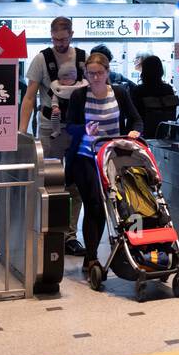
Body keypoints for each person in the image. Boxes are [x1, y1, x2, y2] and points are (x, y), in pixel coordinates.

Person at [63, 52, 142, 275]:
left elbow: (136, 119)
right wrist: (84, 129)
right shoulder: (80, 96)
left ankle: (130, 250)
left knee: (124, 205)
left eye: (99, 73)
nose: (95, 77)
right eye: (91, 73)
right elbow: (70, 125)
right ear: (86, 74)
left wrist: (134, 132)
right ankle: (91, 258)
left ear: (107, 72)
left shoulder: (119, 93)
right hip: (85, 156)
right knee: (95, 205)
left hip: (113, 157)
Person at [19, 16, 89, 257]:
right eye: (55, 39)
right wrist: (22, 131)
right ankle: (47, 230)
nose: (59, 43)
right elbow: (29, 97)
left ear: (71, 34)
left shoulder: (82, 58)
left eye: (63, 39)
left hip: (77, 128)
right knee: (50, 180)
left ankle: (69, 234)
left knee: (75, 182)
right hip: (50, 128)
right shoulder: (42, 59)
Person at [130, 54, 179, 140]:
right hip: (166, 135)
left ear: (144, 71)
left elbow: (133, 117)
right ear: (160, 70)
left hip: (145, 136)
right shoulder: (168, 89)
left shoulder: (139, 90)